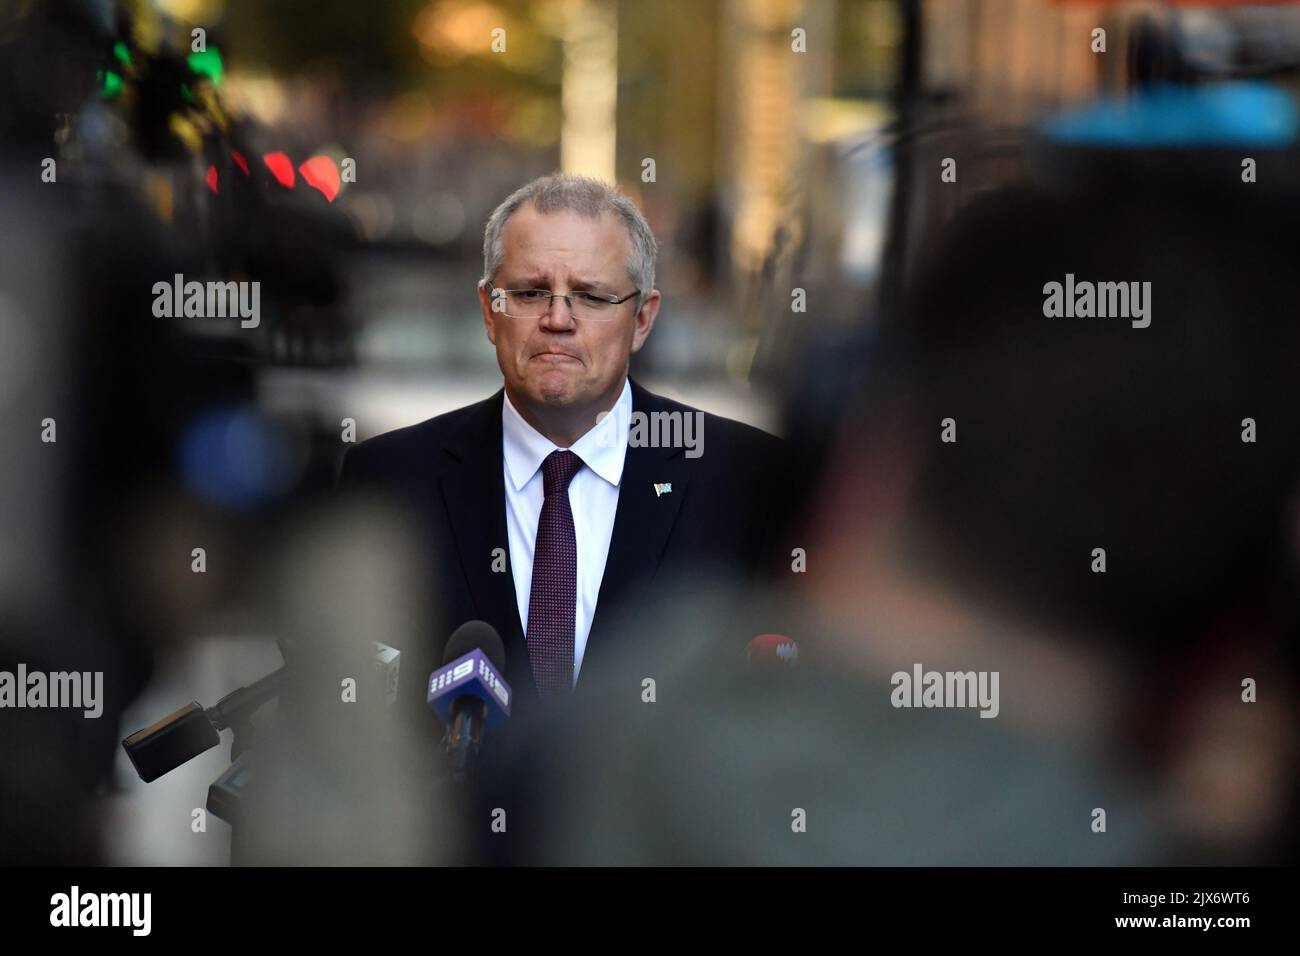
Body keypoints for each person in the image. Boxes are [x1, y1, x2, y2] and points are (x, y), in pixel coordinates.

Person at [337, 173, 790, 755]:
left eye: (592, 296)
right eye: (529, 293)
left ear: (644, 319)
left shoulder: (744, 479)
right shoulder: (390, 479)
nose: (558, 318)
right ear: (489, 309)